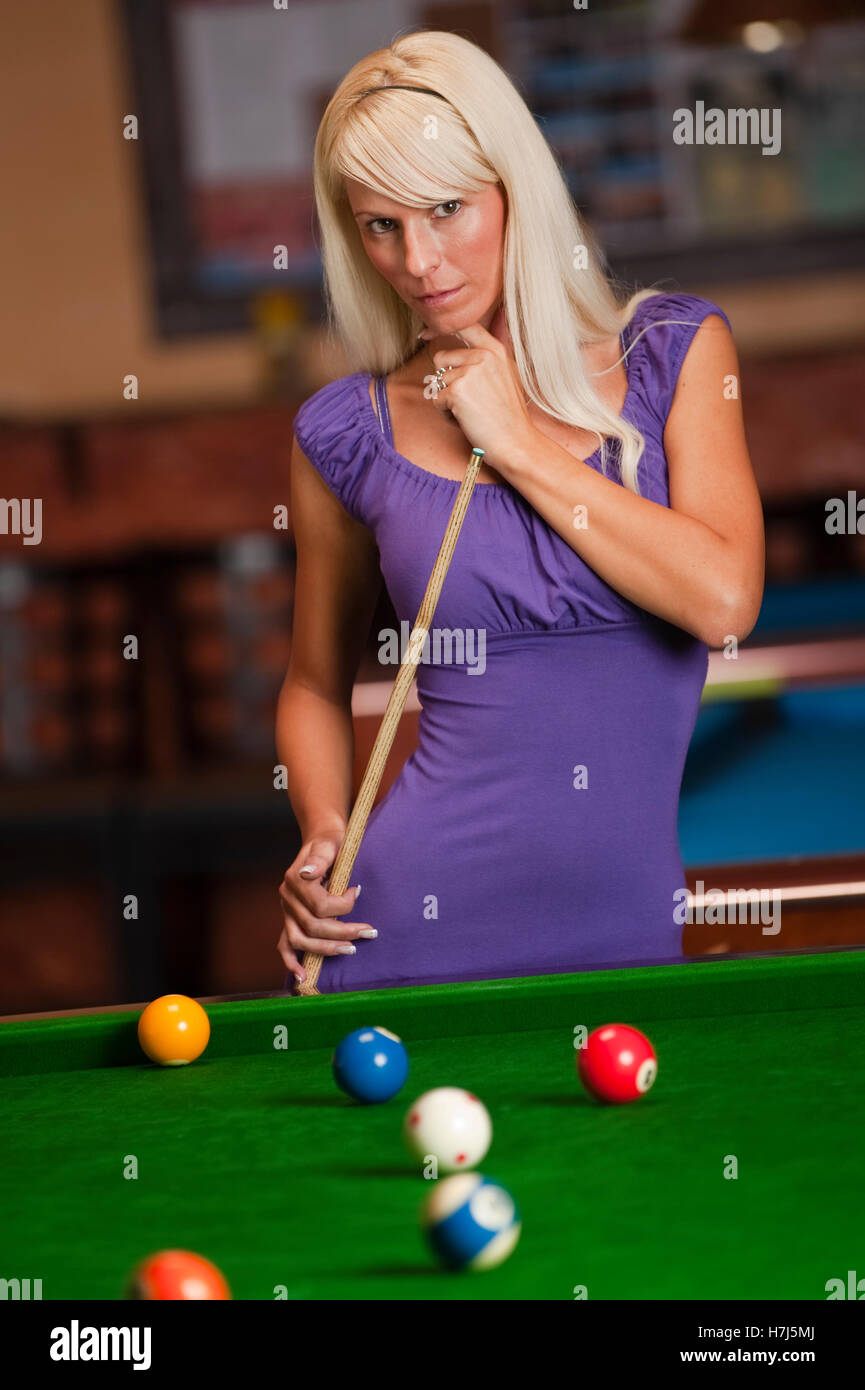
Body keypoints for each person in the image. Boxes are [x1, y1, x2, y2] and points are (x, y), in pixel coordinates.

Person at [275, 30, 764, 994]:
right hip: (402, 927)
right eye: (380, 226)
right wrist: (324, 833)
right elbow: (310, 682)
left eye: (446, 209)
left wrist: (518, 443)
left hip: (622, 925)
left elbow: (723, 601)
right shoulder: (347, 429)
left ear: (515, 189)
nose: (418, 260)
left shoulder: (676, 353)